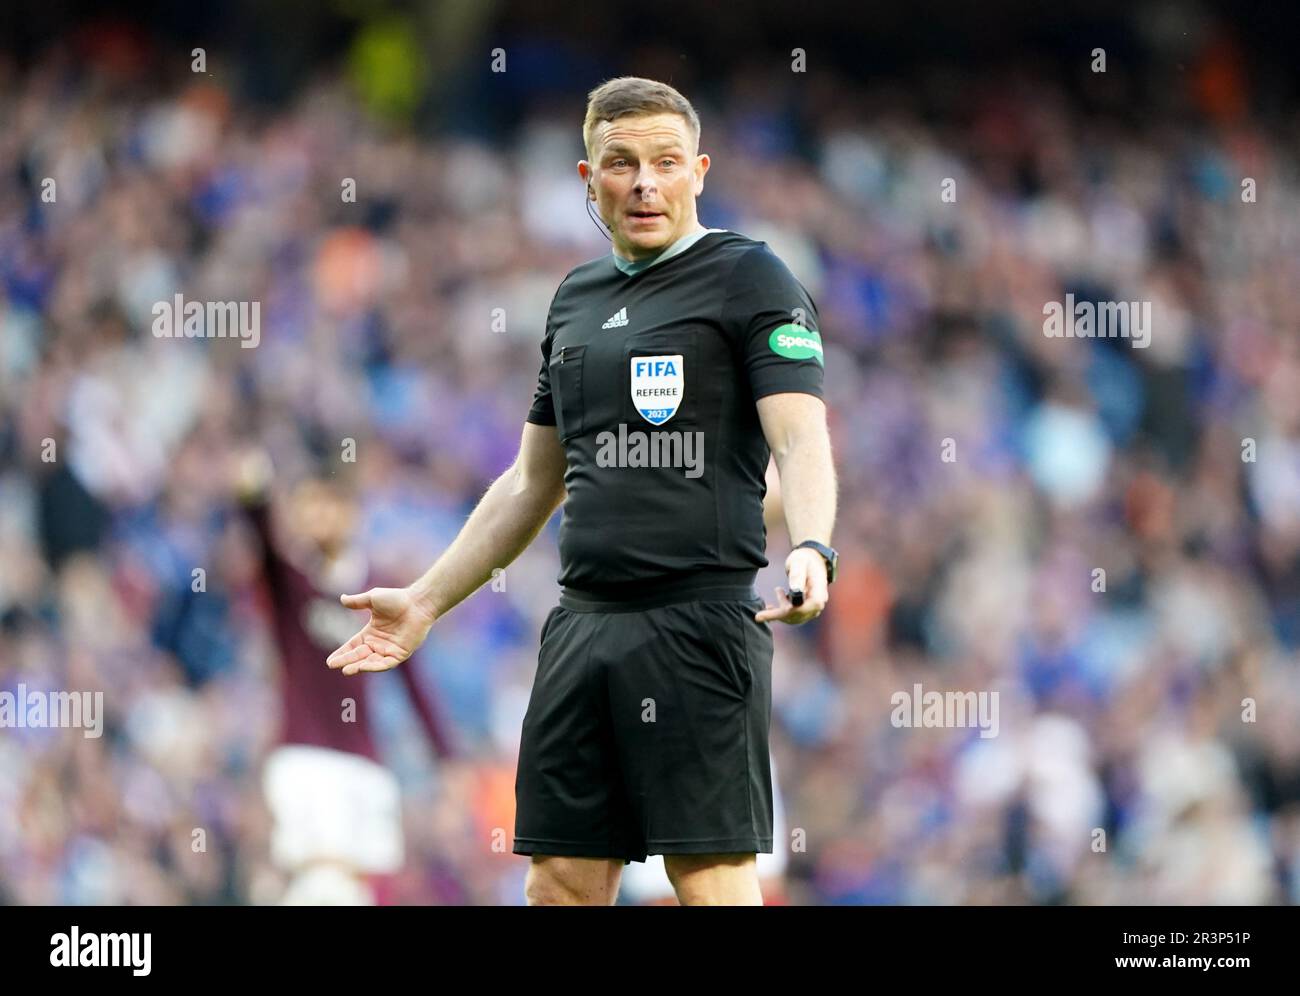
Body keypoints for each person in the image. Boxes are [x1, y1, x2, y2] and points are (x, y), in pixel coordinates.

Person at [327, 76, 837, 906]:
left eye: (666, 163)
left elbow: (800, 435)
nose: (644, 183)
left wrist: (813, 544)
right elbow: (533, 479)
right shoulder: (575, 300)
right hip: (583, 625)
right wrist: (425, 601)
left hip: (698, 621)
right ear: (587, 178)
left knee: (708, 879)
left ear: (698, 171)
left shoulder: (753, 279)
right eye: (621, 163)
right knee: (559, 880)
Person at [233, 451, 454, 904]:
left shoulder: (377, 589)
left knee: (353, 885)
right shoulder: (291, 583)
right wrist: (253, 495)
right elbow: (261, 539)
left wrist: (446, 755)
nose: (316, 518)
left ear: (350, 512)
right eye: (306, 506)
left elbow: (411, 677)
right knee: (323, 878)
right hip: (305, 753)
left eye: (327, 504)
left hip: (363, 759)